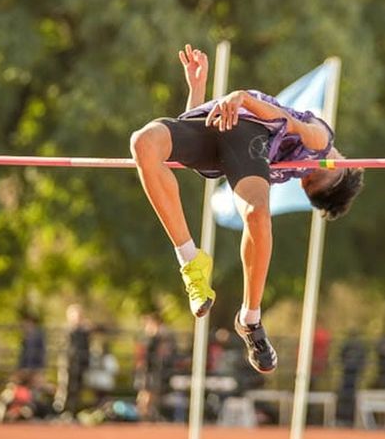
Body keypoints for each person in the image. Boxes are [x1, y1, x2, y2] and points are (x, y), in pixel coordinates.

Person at [129, 44, 364, 374]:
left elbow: (220, 156)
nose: (309, 170)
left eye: (308, 181)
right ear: (343, 164)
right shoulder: (321, 138)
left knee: (256, 213)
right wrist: (216, 92)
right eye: (321, 171)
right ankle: (190, 260)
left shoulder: (291, 166)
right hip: (224, 122)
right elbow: (289, 122)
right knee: (143, 142)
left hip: (244, 142)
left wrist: (224, 97)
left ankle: (250, 318)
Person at [61, 304, 91, 414]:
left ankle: (74, 411)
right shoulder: (68, 329)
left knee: (78, 388)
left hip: (81, 362)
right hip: (69, 363)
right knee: (66, 387)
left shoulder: (85, 330)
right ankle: (63, 410)